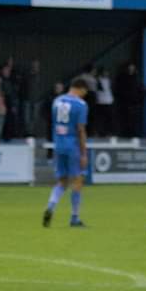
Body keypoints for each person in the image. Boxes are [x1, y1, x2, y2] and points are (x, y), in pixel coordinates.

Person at [42, 78, 89, 228]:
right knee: (78, 180)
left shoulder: (56, 101)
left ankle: (50, 206)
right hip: (72, 146)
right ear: (81, 89)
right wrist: (83, 154)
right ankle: (74, 218)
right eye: (84, 92)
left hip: (59, 144)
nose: (84, 96)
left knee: (62, 181)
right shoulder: (80, 105)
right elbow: (80, 129)